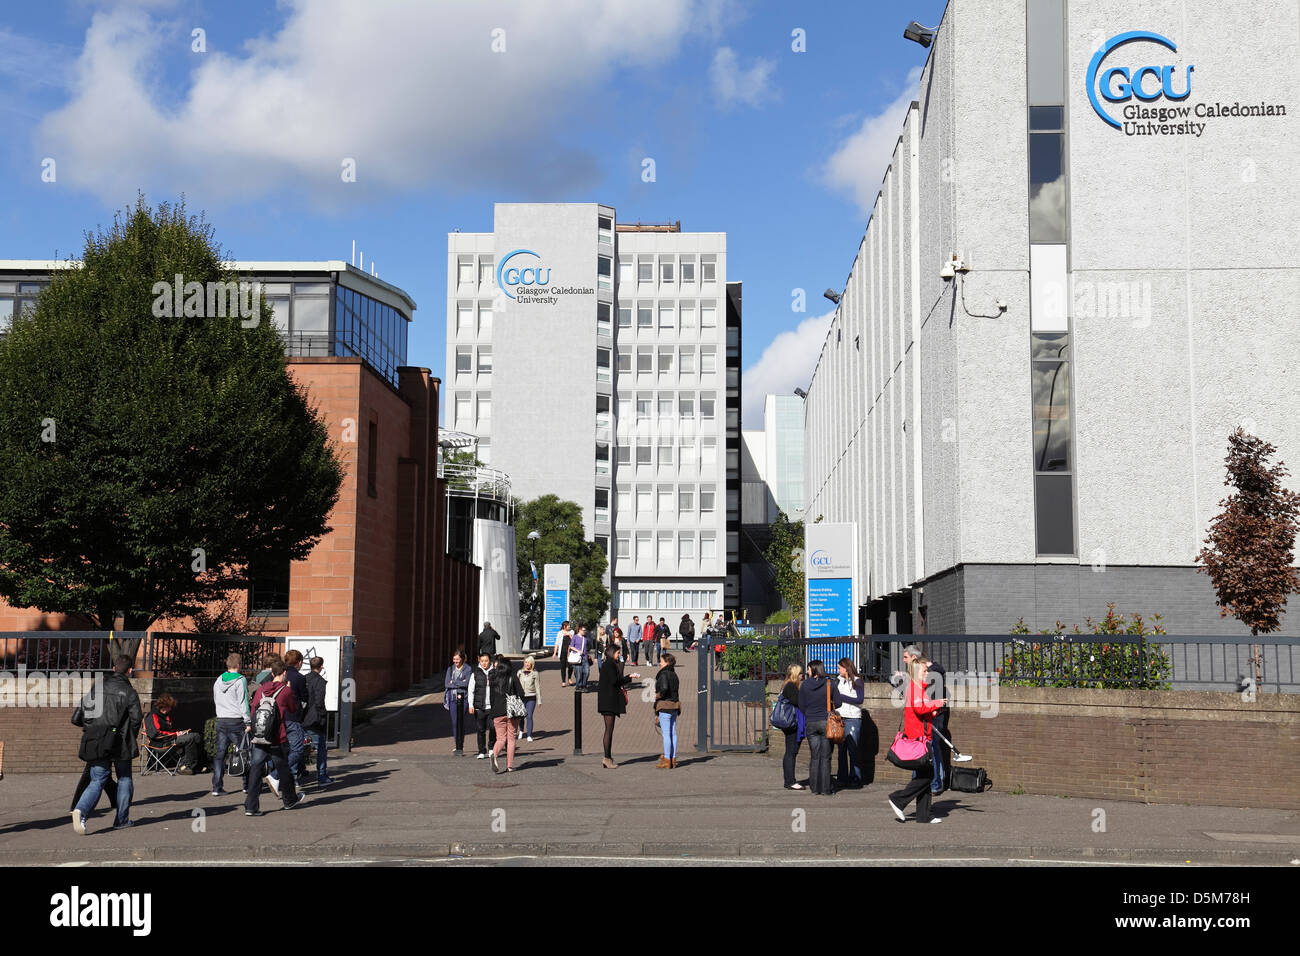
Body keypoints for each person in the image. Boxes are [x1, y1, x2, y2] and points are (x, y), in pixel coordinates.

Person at [71, 655, 142, 834]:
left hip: (98, 741)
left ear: (113, 668)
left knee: (97, 779)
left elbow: (79, 715)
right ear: (130, 670)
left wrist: (92, 729)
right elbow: (136, 719)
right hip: (120, 742)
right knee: (124, 778)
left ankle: (81, 811)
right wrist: (129, 737)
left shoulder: (97, 689)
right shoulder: (129, 692)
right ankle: (121, 819)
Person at [244, 660, 307, 816]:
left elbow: (253, 712)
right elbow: (293, 708)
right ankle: (290, 800)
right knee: (283, 769)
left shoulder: (260, 691)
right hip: (277, 737)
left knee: (256, 769)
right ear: (284, 673)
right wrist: (290, 691)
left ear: (272, 673)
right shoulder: (285, 691)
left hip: (260, 736)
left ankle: (251, 807)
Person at [888, 657, 946, 824]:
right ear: (916, 673)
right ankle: (898, 799)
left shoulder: (920, 688)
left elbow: (920, 711)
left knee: (925, 774)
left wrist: (933, 711)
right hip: (918, 738)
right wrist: (936, 703)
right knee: (927, 775)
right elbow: (919, 708)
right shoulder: (914, 688)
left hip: (922, 735)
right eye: (924, 671)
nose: (927, 673)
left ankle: (923, 815)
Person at [797, 660, 840, 796]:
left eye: (808, 669)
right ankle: (826, 788)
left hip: (810, 722)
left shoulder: (804, 685)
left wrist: (809, 713)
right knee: (826, 757)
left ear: (814, 669)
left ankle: (815, 788)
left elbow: (801, 705)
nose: (807, 671)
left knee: (815, 756)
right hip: (825, 722)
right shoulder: (829, 683)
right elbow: (838, 702)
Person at [211, 652, 250, 796]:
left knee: (220, 754)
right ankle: (247, 785)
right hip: (236, 720)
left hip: (221, 720)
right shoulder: (241, 680)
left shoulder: (219, 679)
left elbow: (216, 699)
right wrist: (247, 721)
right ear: (239, 665)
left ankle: (217, 787)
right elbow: (243, 702)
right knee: (244, 752)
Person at [596, 643, 640, 769]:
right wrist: (629, 677)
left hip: (607, 701)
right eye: (617, 653)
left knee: (609, 729)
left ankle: (608, 757)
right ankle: (607, 757)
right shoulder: (609, 664)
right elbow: (616, 681)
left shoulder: (608, 664)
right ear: (611, 653)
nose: (619, 655)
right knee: (609, 730)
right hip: (608, 701)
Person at [144, 692, 203, 774]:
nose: (170, 709)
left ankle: (192, 765)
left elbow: (167, 731)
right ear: (164, 706)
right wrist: (174, 735)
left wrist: (178, 733)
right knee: (191, 737)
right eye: (169, 707)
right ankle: (187, 765)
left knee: (196, 736)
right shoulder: (152, 716)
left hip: (169, 739)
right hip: (160, 744)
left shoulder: (165, 716)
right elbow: (155, 734)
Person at [921, 655, 951, 796]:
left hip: (936, 716)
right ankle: (929, 782)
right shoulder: (921, 681)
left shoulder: (935, 674)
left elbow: (940, 670)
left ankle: (937, 783)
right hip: (928, 716)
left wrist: (929, 665)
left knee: (935, 747)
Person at [488, 656, 525, 772]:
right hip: (512, 711)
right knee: (511, 738)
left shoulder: (493, 679)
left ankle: (494, 754)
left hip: (497, 712)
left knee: (500, 739)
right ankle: (509, 766)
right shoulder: (512, 677)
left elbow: (491, 697)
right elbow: (521, 693)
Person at [834, 657, 866, 789]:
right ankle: (842, 778)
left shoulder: (857, 681)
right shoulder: (838, 681)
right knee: (841, 750)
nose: (838, 670)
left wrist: (841, 697)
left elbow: (859, 699)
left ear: (846, 668)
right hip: (840, 717)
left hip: (853, 718)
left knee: (853, 749)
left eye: (840, 667)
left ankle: (855, 778)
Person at [303, 656, 333, 786]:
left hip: (303, 717)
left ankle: (296, 773)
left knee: (300, 747)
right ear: (321, 667)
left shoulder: (304, 679)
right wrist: (322, 715)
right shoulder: (320, 681)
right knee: (321, 747)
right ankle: (322, 776)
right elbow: (319, 701)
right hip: (315, 719)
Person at [282, 649, 309, 782]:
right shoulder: (299, 677)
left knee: (282, 748)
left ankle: (277, 773)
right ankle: (289, 776)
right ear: (298, 663)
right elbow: (305, 697)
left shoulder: (279, 674)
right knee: (296, 749)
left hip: (279, 717)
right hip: (293, 716)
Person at [779, 664, 806, 790]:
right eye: (801, 673)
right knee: (791, 751)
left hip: (791, 723)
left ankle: (789, 780)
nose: (803, 676)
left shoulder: (788, 685)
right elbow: (798, 702)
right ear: (795, 674)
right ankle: (790, 781)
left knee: (791, 751)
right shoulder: (790, 686)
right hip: (791, 723)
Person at [654, 653, 681, 768]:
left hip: (665, 706)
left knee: (666, 734)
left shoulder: (664, 674)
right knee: (673, 733)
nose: (660, 663)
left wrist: (658, 696)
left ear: (667, 662)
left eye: (661, 661)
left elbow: (664, 688)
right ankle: (673, 758)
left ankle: (666, 759)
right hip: (675, 705)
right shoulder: (674, 674)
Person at [467, 651, 496, 758]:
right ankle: (481, 751)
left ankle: (491, 747)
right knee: (481, 729)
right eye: (482, 661)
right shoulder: (475, 674)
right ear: (479, 661)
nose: (484, 663)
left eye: (486, 661)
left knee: (493, 728)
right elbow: (471, 690)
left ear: (490, 661)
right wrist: (471, 705)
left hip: (492, 706)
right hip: (479, 707)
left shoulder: (494, 673)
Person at [444, 649, 472, 755]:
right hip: (452, 699)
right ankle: (457, 745)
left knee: (461, 722)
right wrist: (460, 682)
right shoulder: (450, 669)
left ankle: (461, 744)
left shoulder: (468, 669)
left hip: (463, 699)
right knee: (455, 722)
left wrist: (454, 682)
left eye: (457, 659)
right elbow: (447, 684)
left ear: (462, 659)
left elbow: (467, 684)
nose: (455, 661)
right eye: (454, 659)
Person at [517, 655, 541, 742]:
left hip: (531, 697)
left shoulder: (535, 673)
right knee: (520, 716)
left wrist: (539, 699)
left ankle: (529, 735)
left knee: (529, 716)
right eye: (526, 662)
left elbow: (537, 686)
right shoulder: (519, 672)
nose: (527, 664)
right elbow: (516, 685)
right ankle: (521, 730)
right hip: (521, 697)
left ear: (532, 663)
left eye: (529, 662)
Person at [570, 625, 591, 691]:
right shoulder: (575, 637)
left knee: (587, 672)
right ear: (579, 630)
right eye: (583, 630)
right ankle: (579, 686)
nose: (585, 631)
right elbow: (571, 646)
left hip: (585, 657)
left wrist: (588, 654)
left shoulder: (585, 638)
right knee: (579, 673)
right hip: (577, 658)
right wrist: (578, 650)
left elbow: (588, 647)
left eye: (585, 630)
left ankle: (584, 685)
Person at [557, 621, 574, 685]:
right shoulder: (560, 633)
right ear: (564, 626)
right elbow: (557, 643)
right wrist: (554, 652)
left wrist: (569, 635)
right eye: (568, 625)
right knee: (563, 666)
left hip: (570, 652)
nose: (569, 626)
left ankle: (569, 678)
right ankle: (563, 681)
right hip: (562, 652)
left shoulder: (571, 632)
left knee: (570, 666)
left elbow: (573, 641)